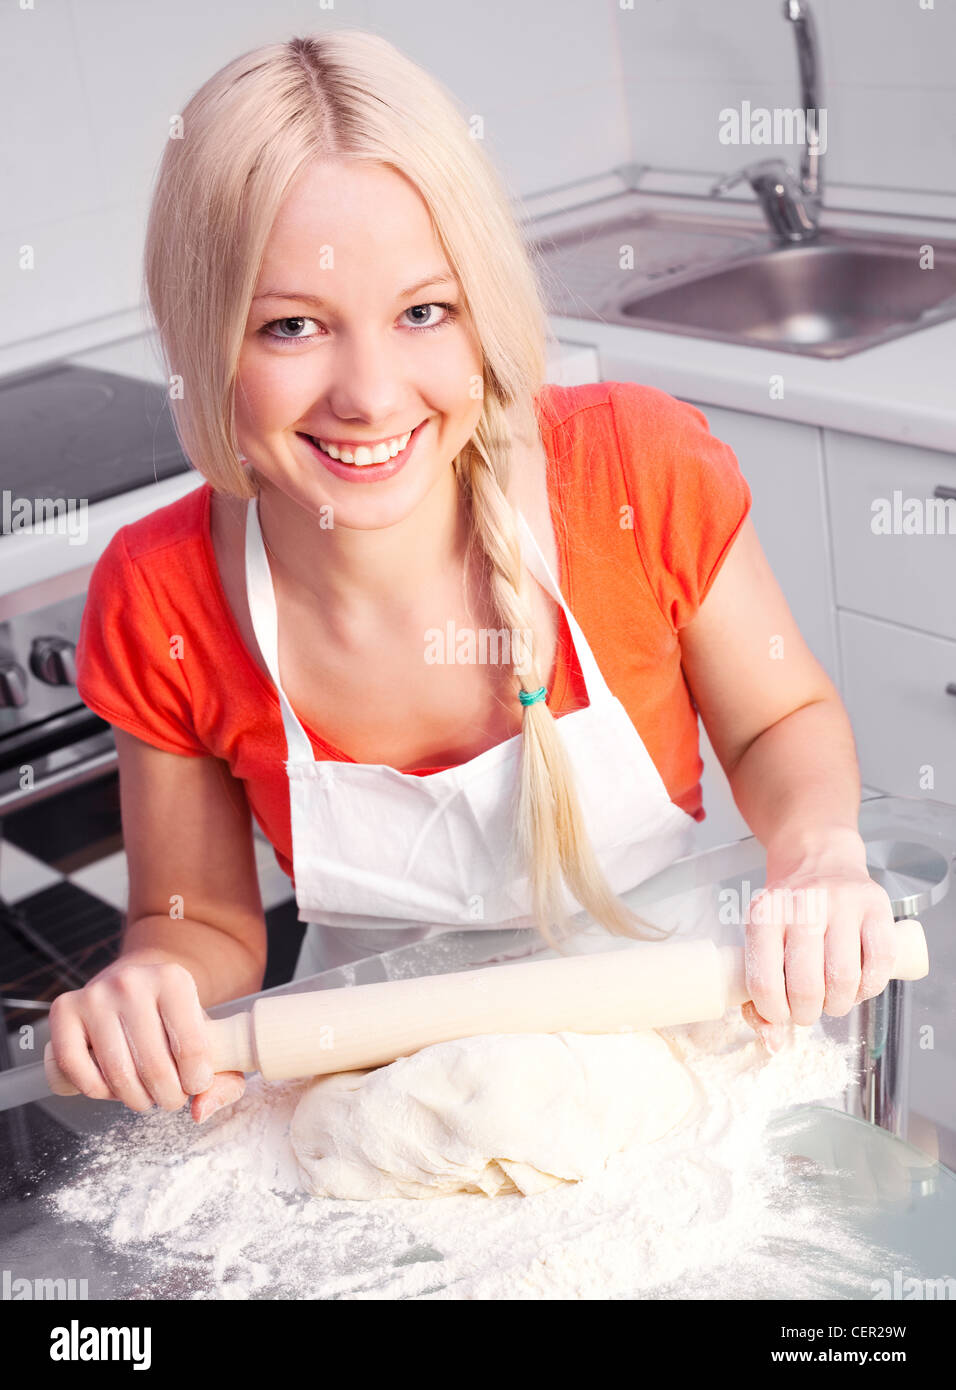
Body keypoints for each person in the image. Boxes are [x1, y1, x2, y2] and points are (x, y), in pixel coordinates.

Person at [49, 30, 898, 1124]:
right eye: (292, 326)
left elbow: (776, 717)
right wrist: (152, 980)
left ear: (481, 305)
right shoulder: (161, 596)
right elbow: (203, 922)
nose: (368, 393)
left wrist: (819, 851)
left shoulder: (632, 473)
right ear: (199, 337)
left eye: (421, 312)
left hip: (680, 1070)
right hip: (377, 1103)